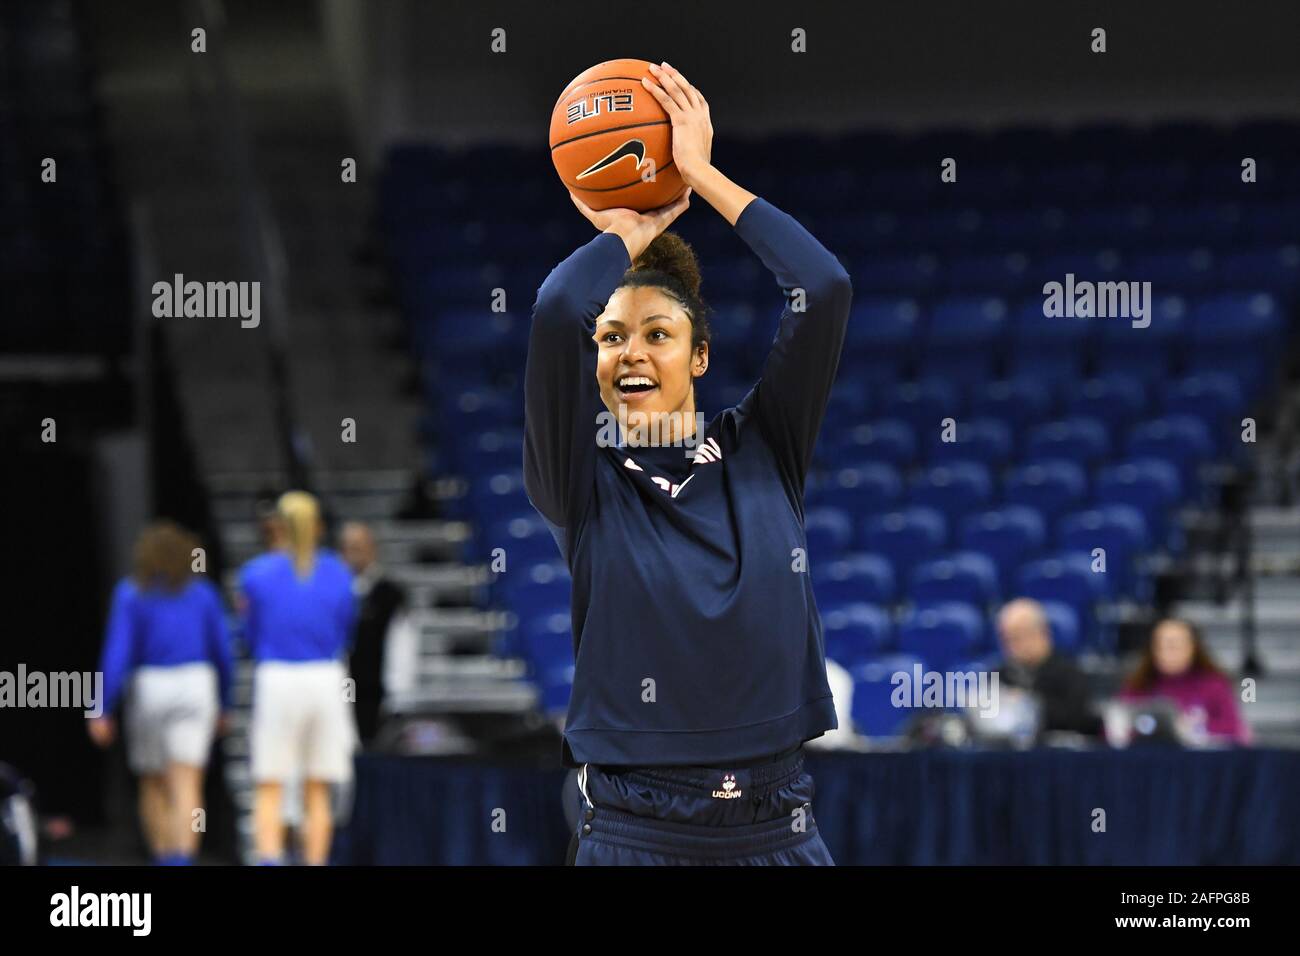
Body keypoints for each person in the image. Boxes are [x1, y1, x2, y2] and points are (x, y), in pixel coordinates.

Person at [525, 62, 850, 865]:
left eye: (656, 334)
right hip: (637, 835)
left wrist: (700, 177)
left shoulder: (766, 444)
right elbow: (558, 307)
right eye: (611, 338)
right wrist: (628, 229)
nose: (628, 353)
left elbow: (824, 285)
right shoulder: (581, 480)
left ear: (700, 355)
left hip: (779, 827)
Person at [88, 521, 233, 865]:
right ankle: (183, 858)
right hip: (197, 685)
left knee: (153, 782)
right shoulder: (203, 593)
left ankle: (165, 857)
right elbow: (223, 652)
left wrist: (100, 707)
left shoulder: (131, 592)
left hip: (151, 686)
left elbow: (117, 653)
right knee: (187, 781)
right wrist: (225, 703)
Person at [239, 491, 357, 865]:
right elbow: (345, 630)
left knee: (269, 785)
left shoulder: (255, 573)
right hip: (324, 677)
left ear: (276, 526)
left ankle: (271, 860)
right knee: (317, 788)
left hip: (278, 678)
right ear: (317, 526)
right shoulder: (338, 571)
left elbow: (249, 633)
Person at [1119, 618, 1251, 745]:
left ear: (1193, 648)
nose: (1167, 652)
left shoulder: (1214, 685)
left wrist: (1195, 729)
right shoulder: (1139, 684)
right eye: (1160, 646)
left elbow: (1234, 729)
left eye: (1174, 646)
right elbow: (1116, 727)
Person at [338, 521, 409, 747]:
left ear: (372, 548)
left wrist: (398, 694)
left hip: (377, 692)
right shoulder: (332, 594)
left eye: (358, 546)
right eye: (348, 547)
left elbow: (403, 646)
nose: (353, 553)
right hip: (342, 692)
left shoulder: (390, 594)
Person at [995, 598, 1103, 738]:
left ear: (1042, 633)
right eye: (1006, 639)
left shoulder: (1070, 674)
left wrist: (1029, 704)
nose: (1011, 646)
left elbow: (1080, 720)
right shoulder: (999, 675)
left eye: (1017, 636)